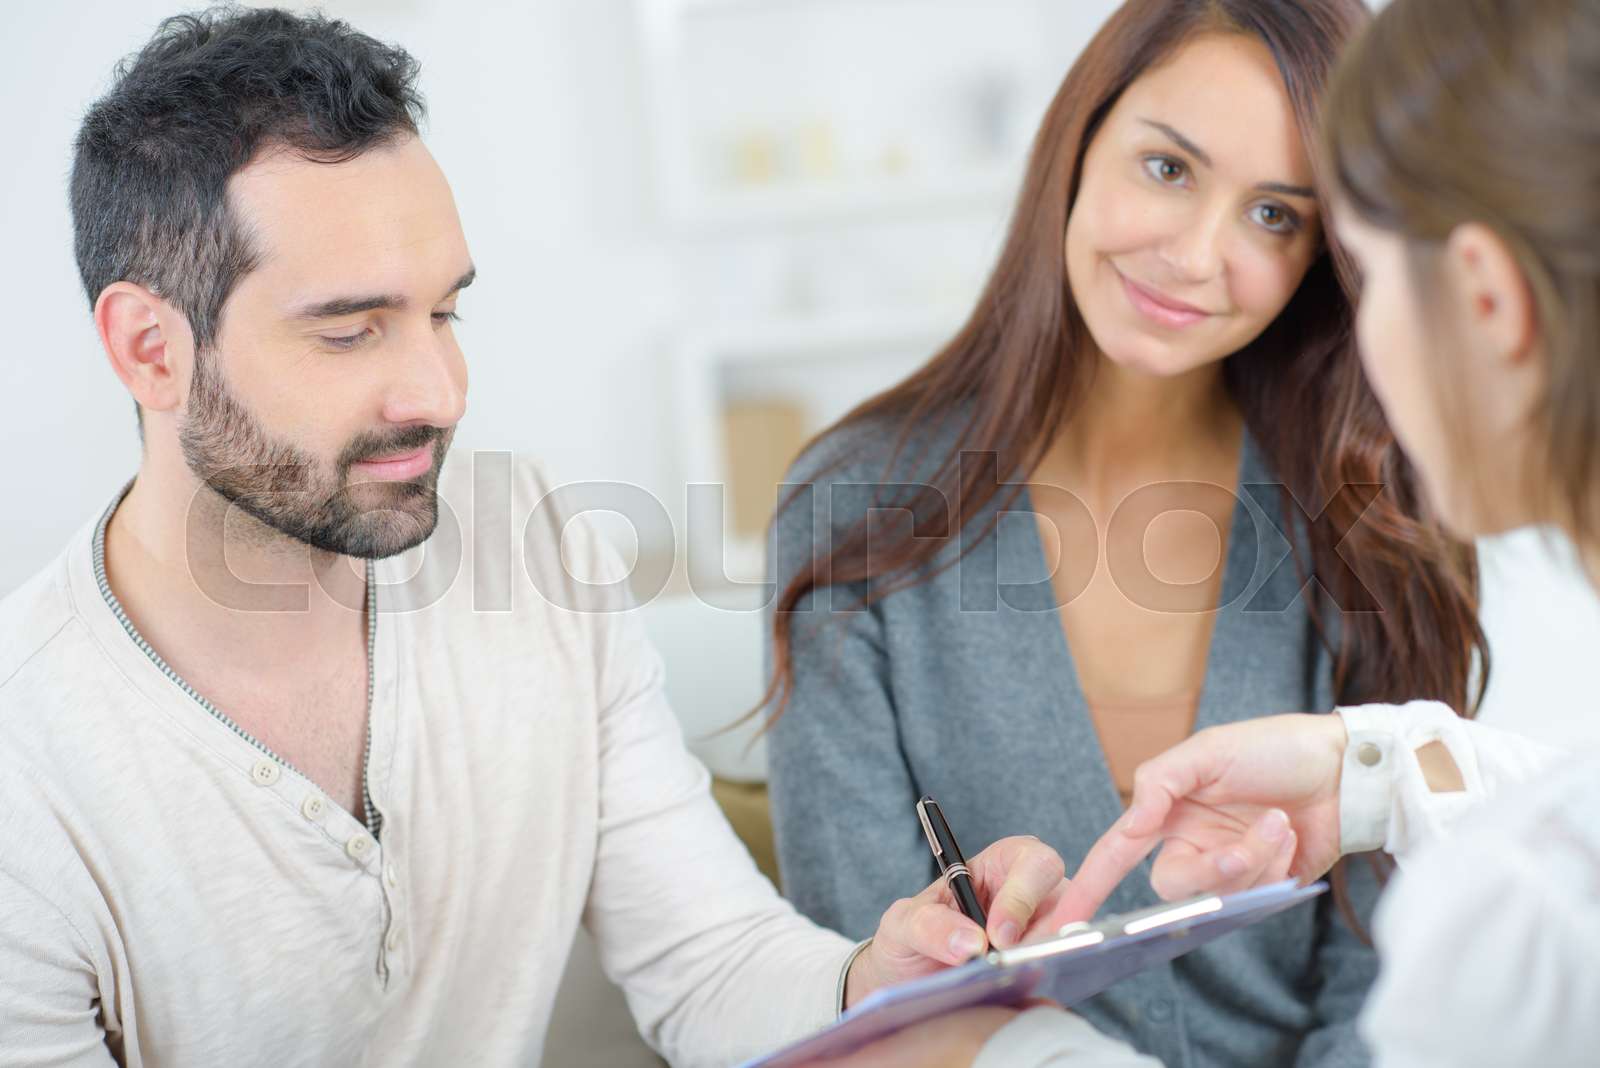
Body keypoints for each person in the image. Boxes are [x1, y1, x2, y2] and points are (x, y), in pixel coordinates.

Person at [0, 9, 1087, 1066]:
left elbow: (709, 967)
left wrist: (871, 984)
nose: (440, 389)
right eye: (349, 330)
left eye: (445, 313)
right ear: (150, 349)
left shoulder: (531, 543)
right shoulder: (27, 767)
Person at [764, 1, 1484, 1064]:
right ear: (1079, 143)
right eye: (1168, 169)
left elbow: (1398, 969)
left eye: (1276, 215)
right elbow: (869, 987)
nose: (1197, 256)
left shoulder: (1372, 503)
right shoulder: (849, 506)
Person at [1052, 0, 1600, 1063]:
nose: (1198, 256)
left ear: (1486, 299)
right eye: (1167, 168)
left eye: (1365, 267)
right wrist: (1373, 772)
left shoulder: (1516, 919)